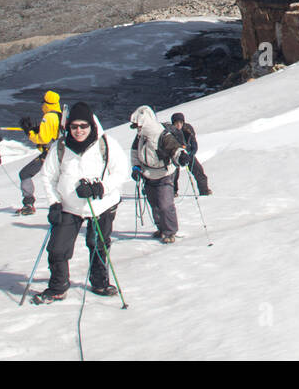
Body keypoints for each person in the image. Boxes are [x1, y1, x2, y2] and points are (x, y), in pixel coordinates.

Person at [31, 102, 130, 304]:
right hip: (69, 206)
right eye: (74, 126)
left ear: (91, 125)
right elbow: (48, 177)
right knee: (58, 249)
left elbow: (121, 171)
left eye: (83, 126)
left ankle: (100, 283)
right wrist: (54, 203)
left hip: (101, 205)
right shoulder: (60, 147)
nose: (78, 131)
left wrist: (101, 187)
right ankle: (58, 287)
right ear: (68, 127)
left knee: (98, 245)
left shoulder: (106, 143)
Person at [130, 105, 188, 243]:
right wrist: (136, 168)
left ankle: (170, 232)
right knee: (154, 203)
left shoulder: (162, 135)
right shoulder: (141, 136)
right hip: (147, 174)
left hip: (164, 174)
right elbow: (134, 153)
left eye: (138, 125)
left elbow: (175, 148)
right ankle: (162, 228)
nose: (137, 128)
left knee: (165, 204)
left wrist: (182, 156)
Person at [16, 90, 62, 215]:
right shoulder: (60, 114)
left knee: (25, 174)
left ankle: (28, 204)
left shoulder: (48, 117)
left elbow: (43, 139)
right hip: (60, 153)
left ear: (46, 103)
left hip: (50, 155)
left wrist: (29, 132)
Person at [168, 112, 212, 198]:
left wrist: (190, 154)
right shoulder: (170, 132)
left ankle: (204, 190)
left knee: (198, 171)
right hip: (175, 155)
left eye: (180, 122)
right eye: (176, 123)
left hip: (188, 154)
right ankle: (173, 192)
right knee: (173, 174)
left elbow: (194, 144)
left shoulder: (188, 129)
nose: (178, 125)